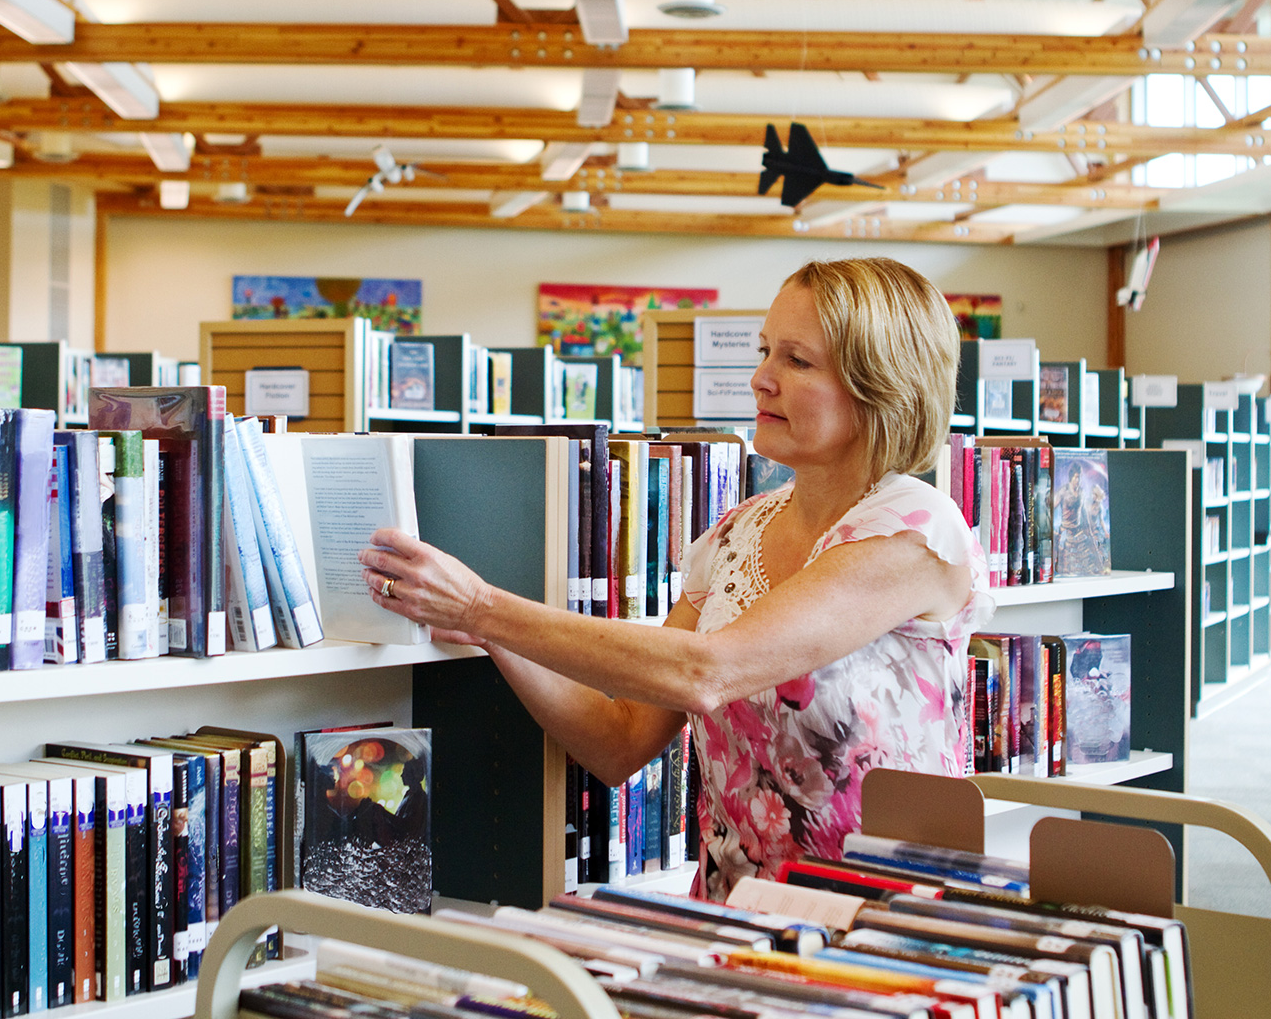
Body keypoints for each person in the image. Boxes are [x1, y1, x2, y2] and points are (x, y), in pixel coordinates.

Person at [359, 258, 993, 900]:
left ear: (880, 385)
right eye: (765, 351)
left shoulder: (915, 531)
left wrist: (482, 606)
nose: (760, 379)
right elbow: (621, 739)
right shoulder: (737, 532)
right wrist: (491, 635)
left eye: (797, 362)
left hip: (880, 922)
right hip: (735, 917)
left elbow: (705, 672)